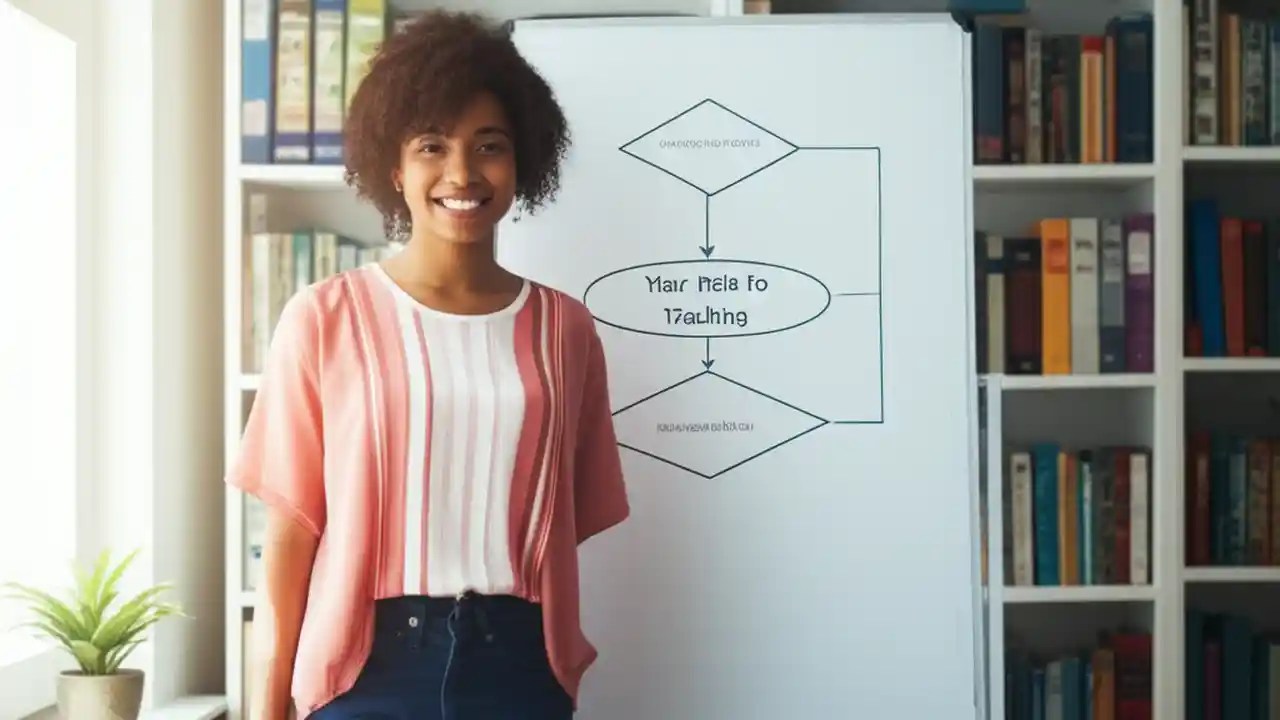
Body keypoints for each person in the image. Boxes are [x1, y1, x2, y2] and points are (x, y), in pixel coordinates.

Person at [227, 10, 631, 720]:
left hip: (518, 665)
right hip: (363, 667)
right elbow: (291, 533)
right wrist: (268, 708)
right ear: (394, 164)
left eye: (490, 146)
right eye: (432, 147)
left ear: (522, 160)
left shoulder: (564, 329)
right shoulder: (325, 318)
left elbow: (567, 514)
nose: (462, 173)